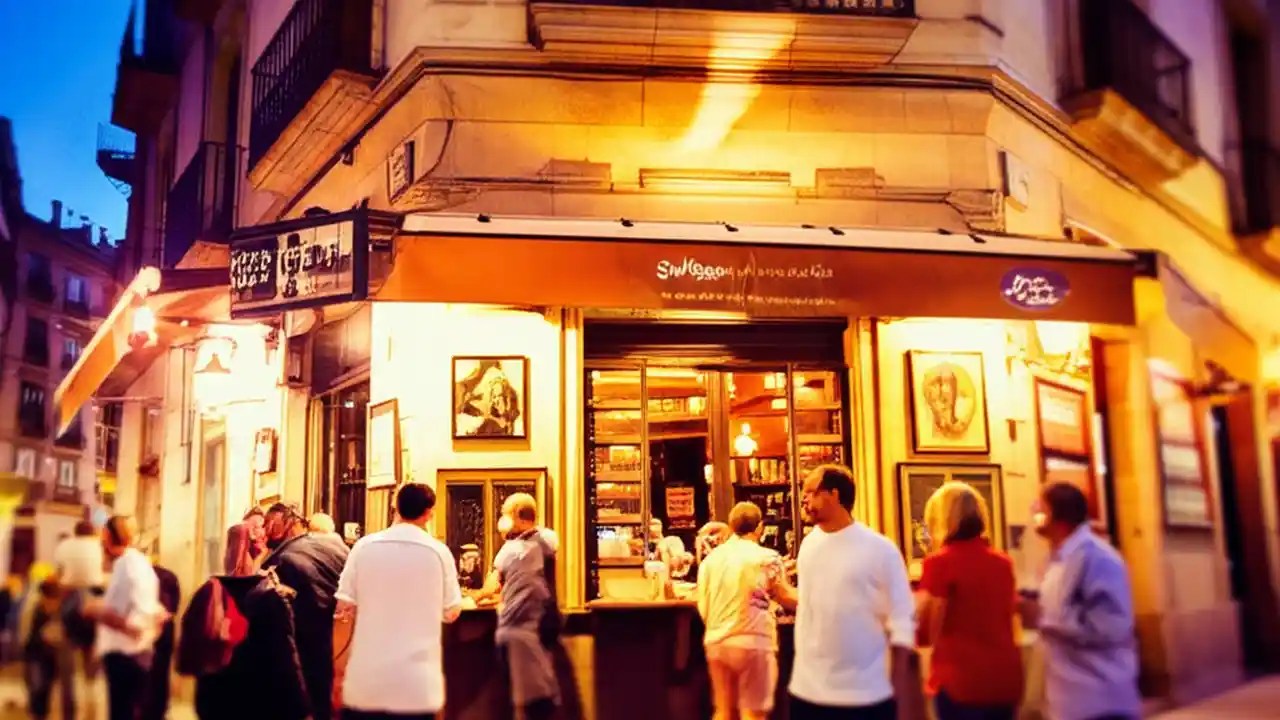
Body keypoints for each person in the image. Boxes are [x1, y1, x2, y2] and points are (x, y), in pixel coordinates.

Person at [774, 465, 921, 720]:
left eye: (811, 492)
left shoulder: (880, 549)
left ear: (834, 494)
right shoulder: (809, 545)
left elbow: (902, 621)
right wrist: (782, 591)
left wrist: (898, 689)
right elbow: (814, 603)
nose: (804, 499)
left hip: (864, 694)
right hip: (808, 691)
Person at [334, 483, 463, 720]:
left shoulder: (363, 547)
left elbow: (344, 605)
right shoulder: (438, 552)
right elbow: (451, 612)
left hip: (367, 680)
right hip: (415, 684)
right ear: (429, 513)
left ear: (395, 507)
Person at [1023, 483, 1140, 720]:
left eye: (1042, 509)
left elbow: (1110, 626)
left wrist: (1043, 619)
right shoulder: (1055, 560)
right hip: (1068, 704)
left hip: (1099, 702)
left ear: (1060, 519)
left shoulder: (1097, 557)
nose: (1034, 511)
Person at [916, 483, 1023, 720]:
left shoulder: (940, 563)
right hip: (1004, 679)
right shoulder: (1002, 563)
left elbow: (926, 630)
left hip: (961, 681)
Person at [696, 502, 785, 720]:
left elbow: (703, 605)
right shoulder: (768, 558)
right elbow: (781, 598)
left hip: (717, 642)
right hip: (754, 642)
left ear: (731, 526)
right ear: (760, 527)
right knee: (753, 714)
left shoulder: (710, 560)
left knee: (724, 712)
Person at [474, 493, 560, 720]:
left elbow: (491, 587)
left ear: (517, 516)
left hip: (515, 632)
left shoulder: (510, 550)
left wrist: (473, 597)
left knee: (523, 700)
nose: (502, 518)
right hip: (542, 629)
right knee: (539, 698)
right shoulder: (547, 541)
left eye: (505, 513)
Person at [262, 502, 348, 720]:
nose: (265, 532)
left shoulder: (282, 560)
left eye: (270, 525)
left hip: (305, 641)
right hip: (339, 636)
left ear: (289, 524)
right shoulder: (337, 545)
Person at [85, 515, 167, 720]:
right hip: (137, 653)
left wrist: (95, 611)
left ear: (108, 537)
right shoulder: (140, 563)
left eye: (103, 538)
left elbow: (118, 614)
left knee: (122, 712)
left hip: (125, 654)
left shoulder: (125, 565)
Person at [53, 520, 105, 720]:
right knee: (92, 662)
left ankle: (69, 713)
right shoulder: (99, 546)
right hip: (95, 599)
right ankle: (92, 712)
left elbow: (59, 575)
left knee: (67, 663)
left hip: (70, 598)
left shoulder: (64, 546)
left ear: (75, 533)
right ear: (91, 533)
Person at [22, 577, 65, 720]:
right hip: (35, 656)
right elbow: (26, 637)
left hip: (50, 657)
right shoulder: (34, 611)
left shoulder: (57, 612)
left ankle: (41, 714)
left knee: (46, 689)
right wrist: (42, 637)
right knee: (37, 688)